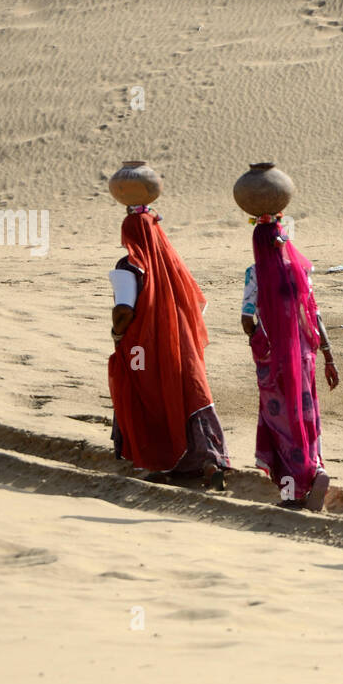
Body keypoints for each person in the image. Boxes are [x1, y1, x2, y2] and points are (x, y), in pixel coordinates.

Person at [107, 206, 229, 486]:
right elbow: (198, 303)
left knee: (147, 393)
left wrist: (117, 333)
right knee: (190, 394)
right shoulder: (171, 264)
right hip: (183, 345)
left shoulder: (130, 266)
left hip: (144, 348)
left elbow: (124, 310)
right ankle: (211, 465)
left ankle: (160, 463)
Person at [241, 213, 339, 510]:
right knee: (306, 414)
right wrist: (328, 356)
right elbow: (314, 315)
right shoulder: (300, 270)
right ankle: (317, 467)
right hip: (305, 356)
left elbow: (247, 319)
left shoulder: (254, 273)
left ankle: (294, 490)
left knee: (280, 423)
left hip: (277, 362)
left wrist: (262, 347)